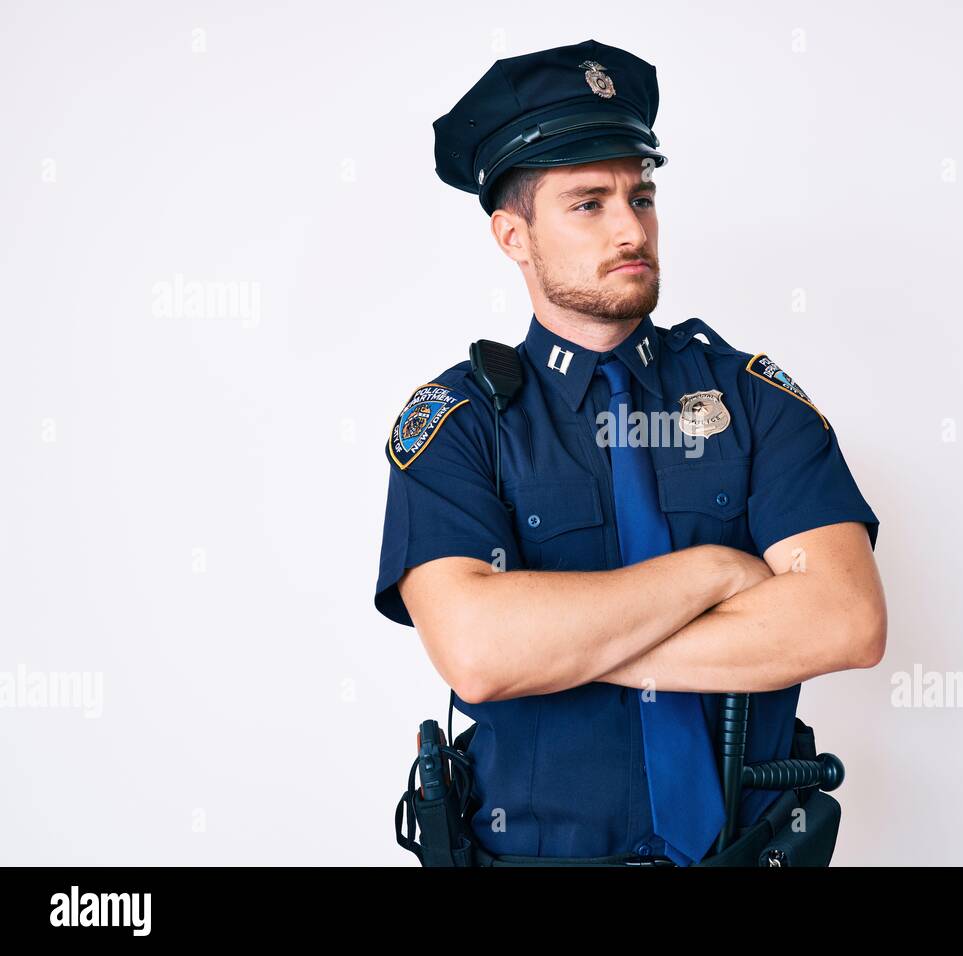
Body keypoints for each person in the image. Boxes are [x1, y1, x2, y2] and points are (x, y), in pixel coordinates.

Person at [375, 38, 887, 865]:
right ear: (514, 235)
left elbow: (846, 621)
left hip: (749, 852)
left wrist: (561, 647)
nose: (631, 227)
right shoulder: (461, 422)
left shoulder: (751, 397)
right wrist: (713, 575)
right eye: (589, 204)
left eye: (640, 196)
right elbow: (478, 655)